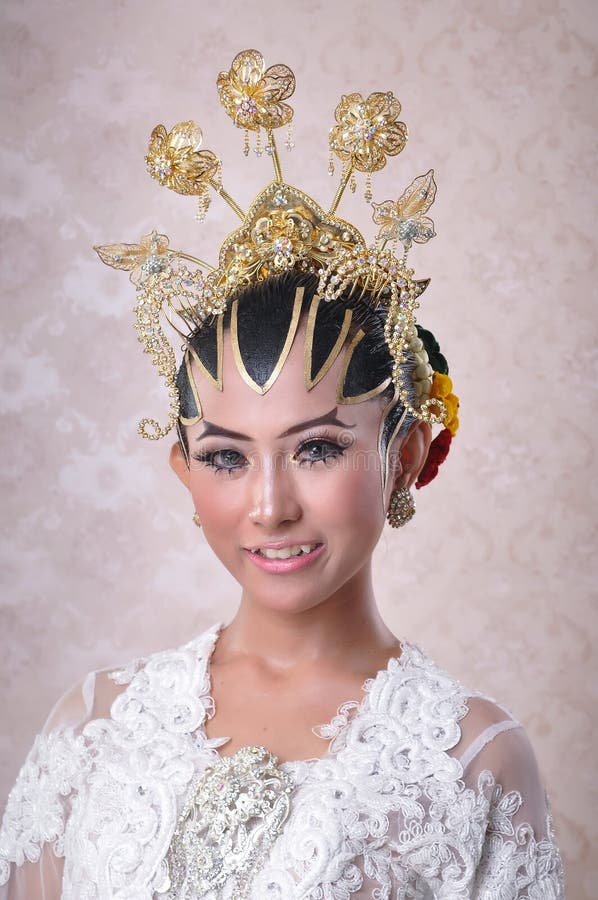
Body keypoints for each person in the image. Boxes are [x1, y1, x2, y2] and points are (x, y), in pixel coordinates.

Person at [0, 50, 565, 898]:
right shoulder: (95, 726)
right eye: (226, 456)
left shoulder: (471, 761)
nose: (269, 506)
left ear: (405, 455)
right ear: (184, 470)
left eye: (318, 448)